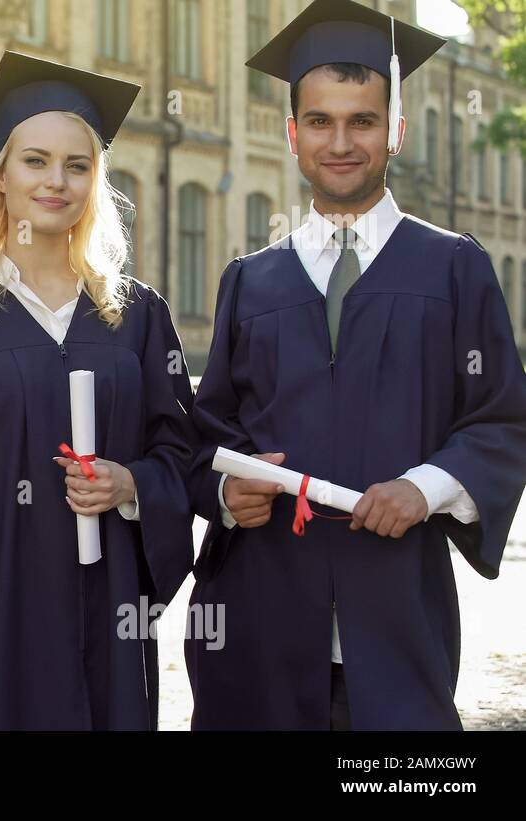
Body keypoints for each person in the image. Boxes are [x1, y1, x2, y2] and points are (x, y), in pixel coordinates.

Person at [186, 0, 526, 730]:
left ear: (395, 131)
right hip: (261, 629)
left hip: (397, 626)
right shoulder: (252, 279)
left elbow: (501, 418)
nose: (340, 142)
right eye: (320, 121)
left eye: (362, 121)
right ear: (292, 133)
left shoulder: (453, 268)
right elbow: (204, 436)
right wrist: (225, 494)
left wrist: (425, 487)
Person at [0, 52, 197, 729]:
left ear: (95, 180)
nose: (57, 181)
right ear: (1, 178)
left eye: (76, 165)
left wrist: (131, 483)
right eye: (35, 161)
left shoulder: (138, 316)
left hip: (110, 617)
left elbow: (182, 456)